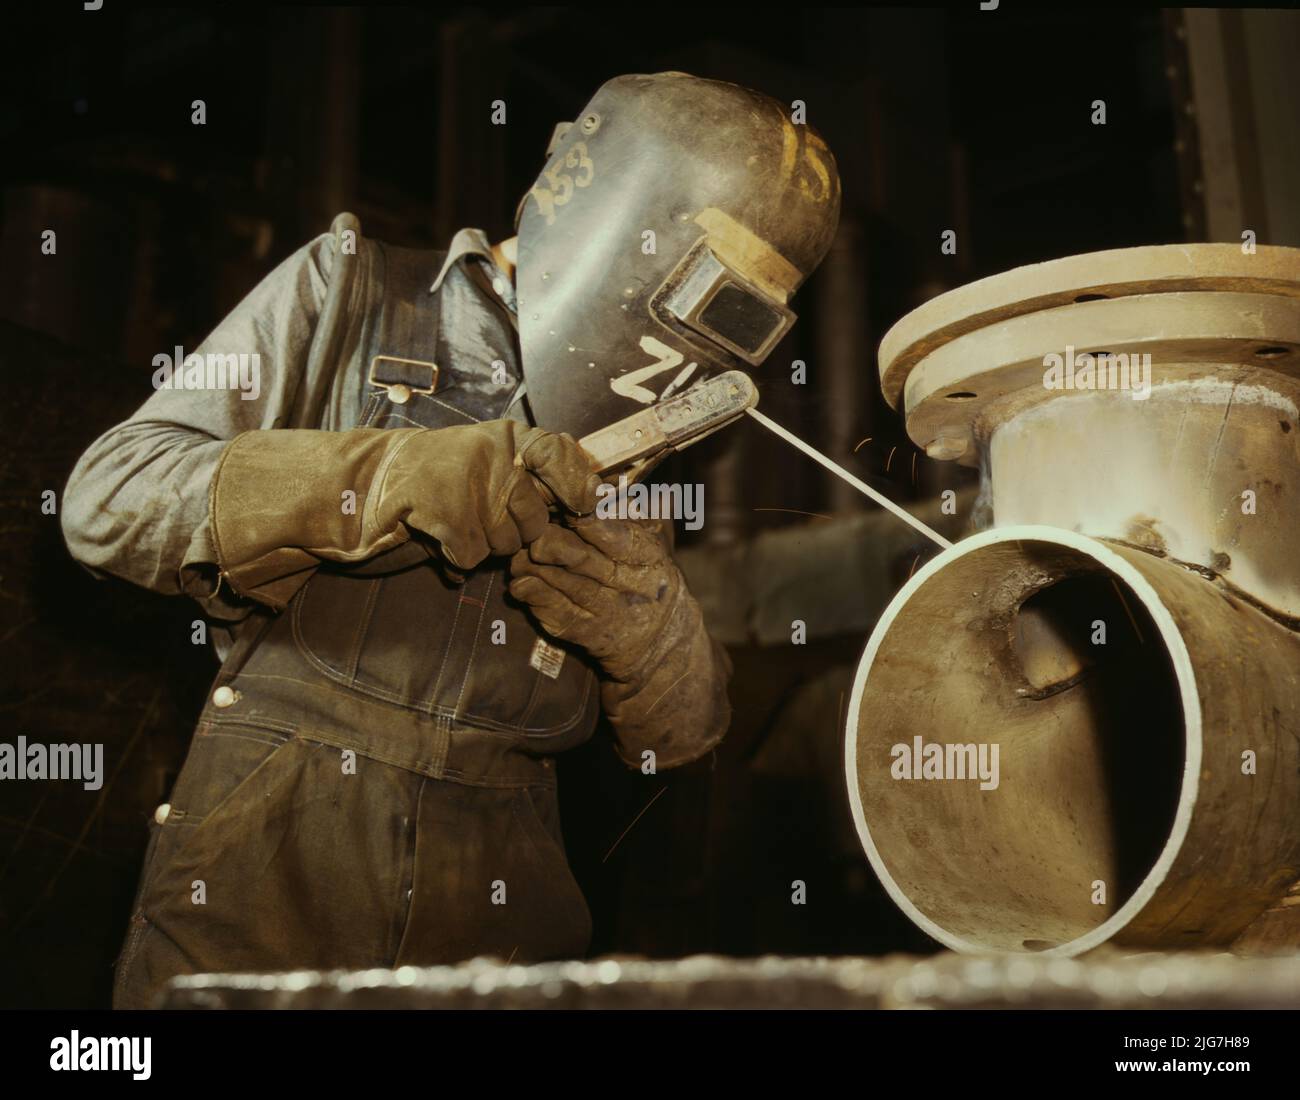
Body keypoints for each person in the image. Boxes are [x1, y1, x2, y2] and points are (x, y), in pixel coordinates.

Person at [60, 71, 840, 1008]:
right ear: (614, 198)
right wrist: (381, 480)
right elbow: (108, 498)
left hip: (501, 942)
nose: (703, 341)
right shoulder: (350, 291)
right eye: (709, 290)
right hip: (264, 886)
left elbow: (675, 750)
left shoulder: (649, 426)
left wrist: (657, 645)